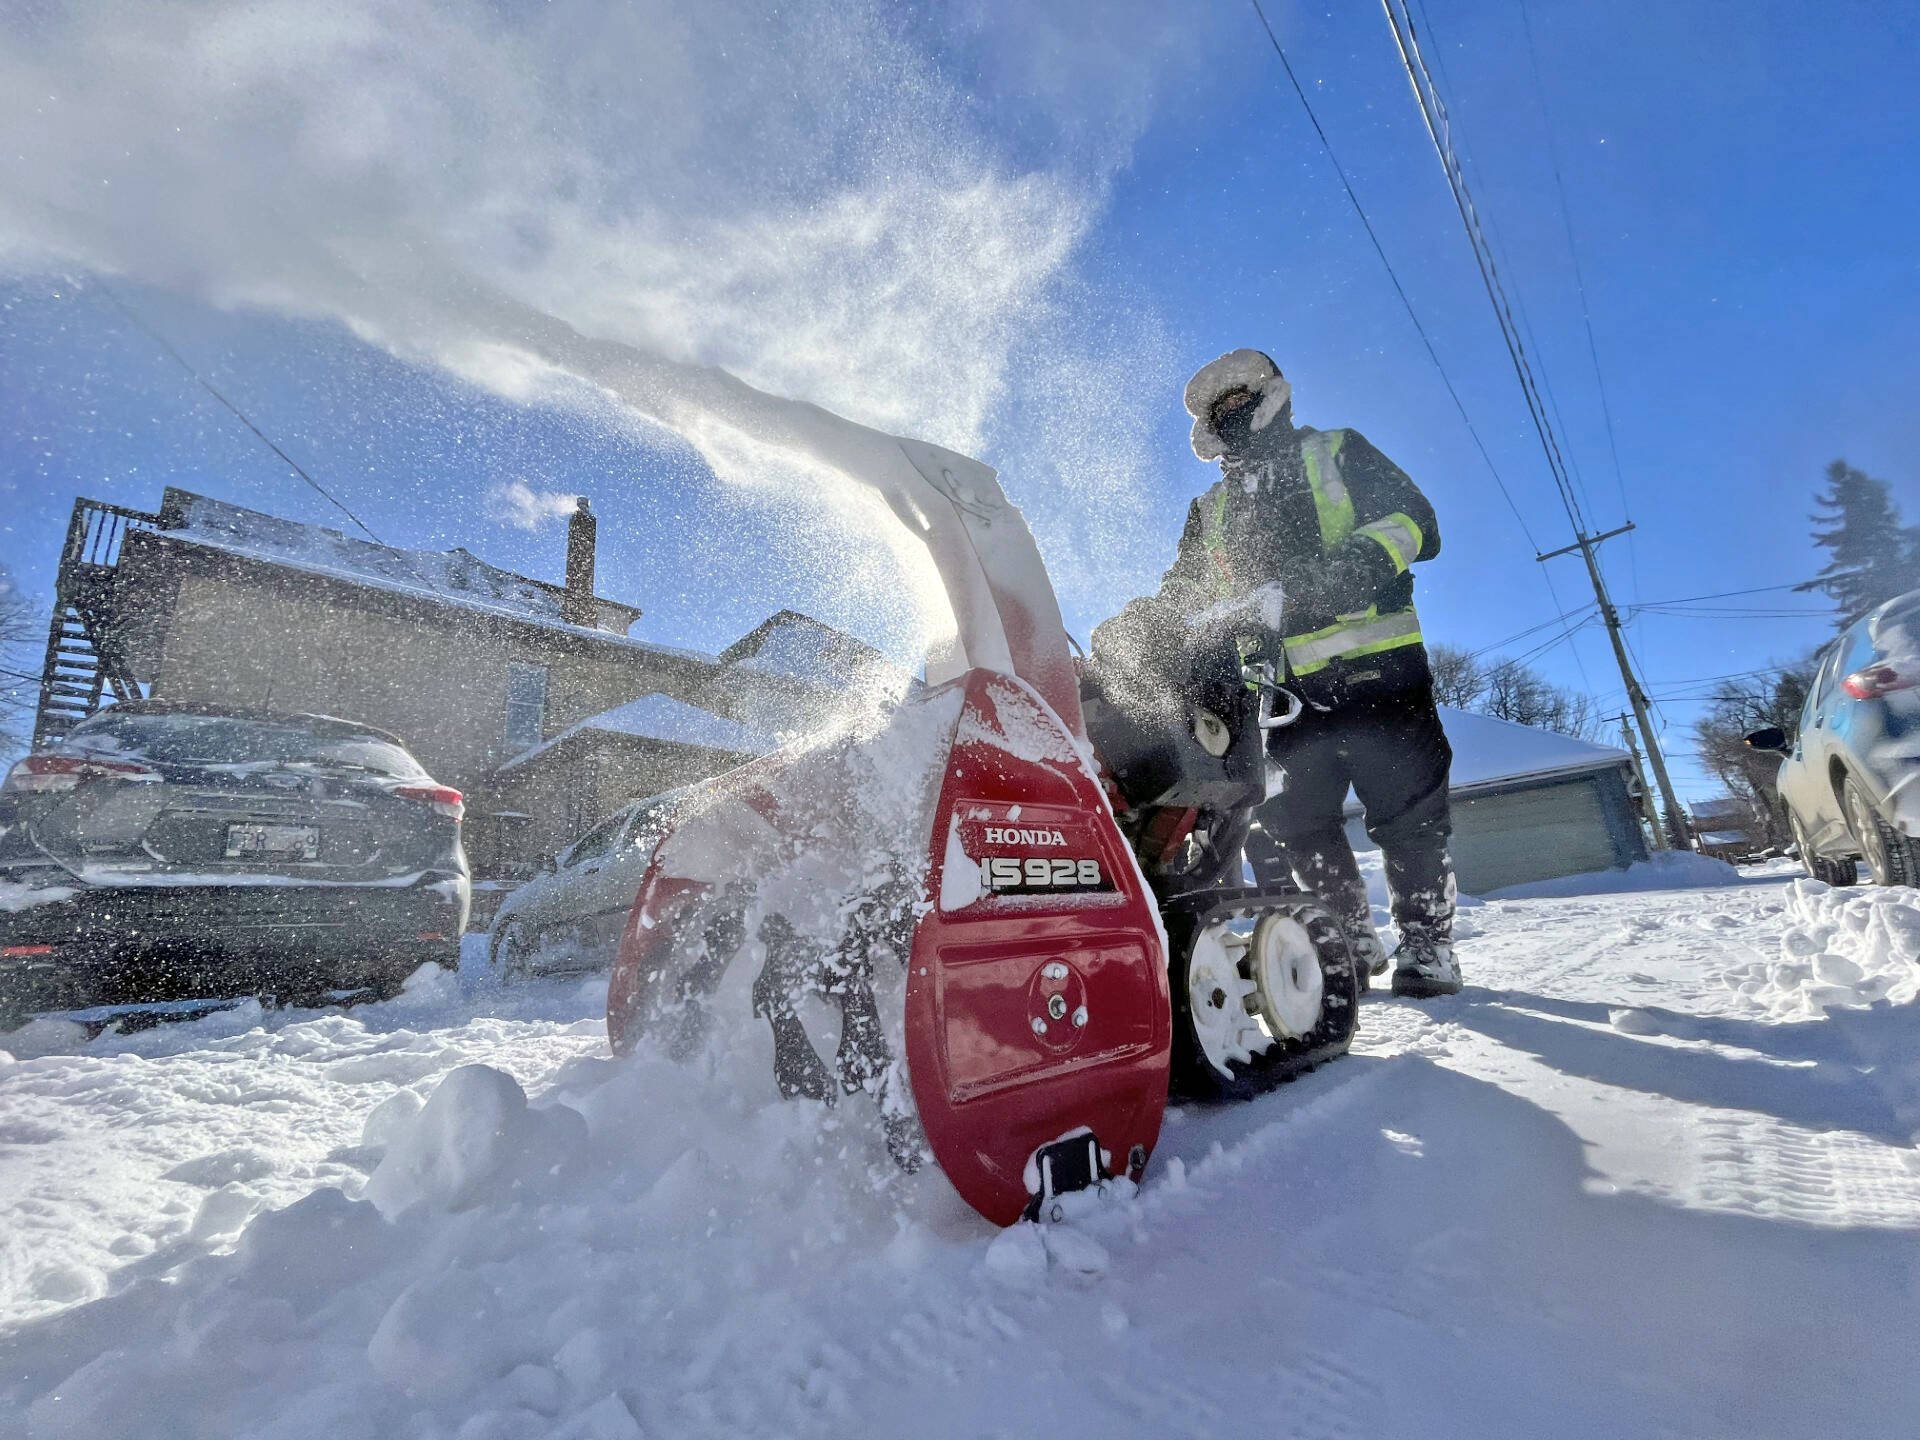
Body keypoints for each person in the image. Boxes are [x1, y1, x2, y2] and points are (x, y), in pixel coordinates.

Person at [1160, 348, 1460, 998]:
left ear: (1271, 398)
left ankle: (1428, 945)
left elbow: (1416, 521)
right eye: (1222, 412)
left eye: (1241, 402)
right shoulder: (1210, 511)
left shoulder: (1336, 451)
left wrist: (1346, 567)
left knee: (1408, 814)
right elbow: (1183, 592)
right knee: (1297, 822)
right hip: (1280, 694)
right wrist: (1148, 622)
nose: (1234, 416)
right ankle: (1349, 939)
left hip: (1377, 672)